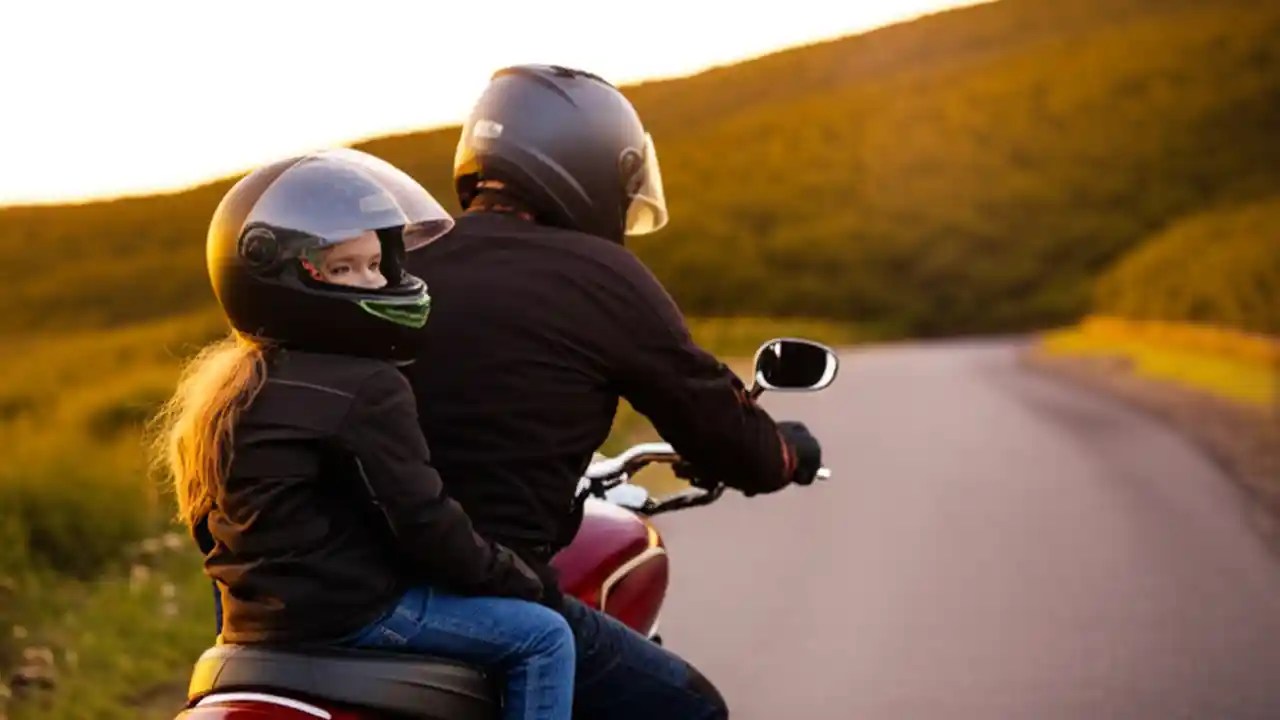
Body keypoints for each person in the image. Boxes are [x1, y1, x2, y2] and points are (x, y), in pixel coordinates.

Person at [401, 64, 826, 719]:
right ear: (590, 163)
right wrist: (785, 453)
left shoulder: (397, 258)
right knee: (691, 709)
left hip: (353, 593)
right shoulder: (603, 276)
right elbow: (719, 425)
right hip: (488, 590)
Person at [151, 147, 575, 720]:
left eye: (375, 264)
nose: (372, 281)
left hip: (252, 628)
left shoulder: (228, 389)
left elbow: (210, 526)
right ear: (287, 277)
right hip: (348, 619)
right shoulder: (367, 385)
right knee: (545, 636)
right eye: (344, 268)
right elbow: (424, 520)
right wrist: (518, 579)